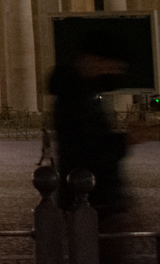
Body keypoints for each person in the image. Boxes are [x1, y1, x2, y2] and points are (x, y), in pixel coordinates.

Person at [51, 48, 132, 213]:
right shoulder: (75, 99)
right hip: (87, 197)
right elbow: (88, 152)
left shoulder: (84, 93)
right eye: (112, 65)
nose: (113, 72)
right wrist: (128, 140)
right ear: (94, 61)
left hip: (90, 195)